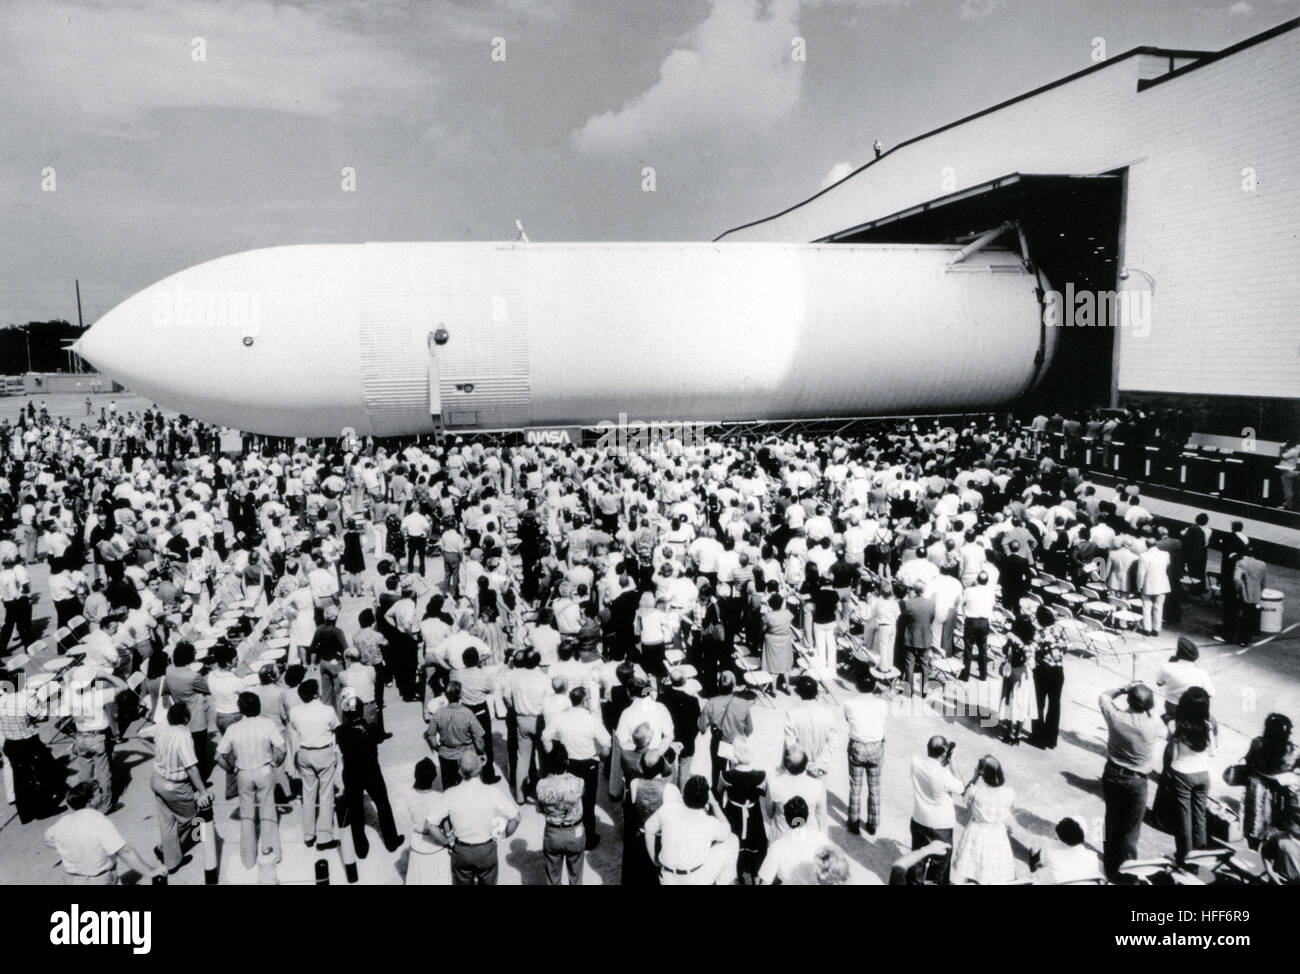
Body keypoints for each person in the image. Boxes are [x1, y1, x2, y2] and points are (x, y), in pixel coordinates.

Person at [1099, 682, 1164, 881]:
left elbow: (1104, 695)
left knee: (1112, 821)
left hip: (1112, 774)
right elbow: (1157, 714)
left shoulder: (1116, 718)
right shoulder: (1154, 725)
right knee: (1130, 829)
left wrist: (1123, 688)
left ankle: (1110, 867)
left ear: (1129, 701)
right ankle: (1127, 873)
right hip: (1136, 780)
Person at [216, 691, 286, 869]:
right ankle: (272, 853)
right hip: (264, 770)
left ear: (240, 709)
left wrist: (231, 769)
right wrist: (276, 762)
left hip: (243, 774)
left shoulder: (233, 729)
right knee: (268, 812)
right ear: (258, 707)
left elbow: (218, 756)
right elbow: (282, 749)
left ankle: (248, 858)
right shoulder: (267, 724)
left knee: (247, 816)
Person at [43, 781, 162, 885]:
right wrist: (151, 871)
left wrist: (72, 848)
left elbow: (48, 839)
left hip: (72, 880)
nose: (102, 793)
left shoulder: (62, 822)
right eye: (99, 792)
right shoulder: (98, 820)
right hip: (99, 879)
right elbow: (124, 851)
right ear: (90, 801)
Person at [540, 686, 610, 849]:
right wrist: (600, 757)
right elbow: (606, 746)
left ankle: (570, 833)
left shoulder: (561, 718)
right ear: (585, 701)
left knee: (569, 799)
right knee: (588, 802)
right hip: (589, 764)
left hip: (568, 764)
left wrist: (554, 756)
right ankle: (589, 838)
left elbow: (545, 737)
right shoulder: (593, 720)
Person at [1155, 686, 1216, 869]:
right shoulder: (1208, 726)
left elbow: (1170, 747)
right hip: (1203, 775)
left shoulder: (1176, 725)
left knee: (1184, 821)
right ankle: (1199, 856)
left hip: (1182, 774)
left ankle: (1184, 860)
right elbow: (1212, 752)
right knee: (1199, 817)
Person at [335, 699, 404, 858]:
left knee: (356, 808)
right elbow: (379, 737)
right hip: (371, 772)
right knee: (383, 804)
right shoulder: (370, 728)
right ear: (361, 711)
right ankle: (391, 840)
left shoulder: (341, 731)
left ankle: (361, 848)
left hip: (352, 773)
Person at [439, 752, 520, 885]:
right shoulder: (492, 791)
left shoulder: (450, 794)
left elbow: (430, 824)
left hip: (462, 851)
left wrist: (446, 841)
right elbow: (516, 818)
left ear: (459, 771)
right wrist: (501, 835)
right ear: (479, 769)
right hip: (487, 849)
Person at [151, 701, 212, 874]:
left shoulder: (162, 726)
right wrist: (202, 791)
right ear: (186, 718)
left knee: (167, 821)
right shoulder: (183, 735)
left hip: (156, 778)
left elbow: (141, 734)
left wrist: (158, 751)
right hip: (175, 785)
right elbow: (191, 767)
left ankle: (171, 859)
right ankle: (166, 848)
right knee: (191, 817)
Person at [644, 774, 738, 885]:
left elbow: (648, 828)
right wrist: (714, 803)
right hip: (695, 879)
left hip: (667, 878)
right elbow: (727, 830)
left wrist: (655, 859)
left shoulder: (669, 808)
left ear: (683, 794)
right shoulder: (709, 822)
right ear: (706, 800)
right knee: (732, 840)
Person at [0, 678, 66, 822]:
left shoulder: (1, 701)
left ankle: (26, 814)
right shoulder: (25, 700)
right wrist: (41, 703)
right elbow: (42, 717)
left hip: (11, 743)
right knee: (43, 774)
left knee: (21, 779)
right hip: (28, 742)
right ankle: (45, 808)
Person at [288, 679, 339, 850]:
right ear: (316, 693)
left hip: (304, 753)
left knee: (308, 793)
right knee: (326, 794)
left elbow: (294, 728)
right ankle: (324, 837)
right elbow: (335, 728)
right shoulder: (328, 710)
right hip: (323, 752)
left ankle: (308, 835)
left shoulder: (295, 711)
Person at [951, 755, 1017, 884]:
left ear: (983, 773)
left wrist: (975, 776)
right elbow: (1010, 807)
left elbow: (964, 793)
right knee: (993, 870)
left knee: (972, 869)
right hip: (998, 833)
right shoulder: (1009, 792)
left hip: (977, 832)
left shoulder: (975, 791)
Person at [908, 735, 963, 885]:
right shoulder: (944, 774)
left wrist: (943, 758)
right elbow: (961, 786)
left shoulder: (915, 763)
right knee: (940, 865)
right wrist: (952, 762)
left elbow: (929, 763)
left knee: (917, 858)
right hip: (941, 825)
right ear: (944, 754)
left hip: (919, 818)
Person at [1240, 713, 1299, 850]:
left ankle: (1254, 849)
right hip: (1281, 791)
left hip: (1258, 787)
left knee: (1255, 822)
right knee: (1278, 823)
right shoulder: (1293, 750)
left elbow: (1249, 763)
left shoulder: (1258, 743)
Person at [534, 743, 586, 885]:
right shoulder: (579, 782)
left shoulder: (541, 785)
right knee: (576, 874)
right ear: (566, 762)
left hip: (553, 833)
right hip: (575, 832)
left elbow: (539, 809)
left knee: (553, 877)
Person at [843, 670, 887, 835]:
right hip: (876, 746)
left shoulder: (849, 703)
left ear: (857, 685)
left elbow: (848, 719)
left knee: (855, 786)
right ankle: (872, 823)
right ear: (874, 685)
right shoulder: (882, 704)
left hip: (857, 746)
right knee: (874, 787)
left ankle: (853, 822)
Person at [756, 796, 831, 885]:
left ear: (787, 820)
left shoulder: (777, 847)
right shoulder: (822, 839)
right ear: (807, 816)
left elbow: (765, 881)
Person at [699, 670, 753, 788]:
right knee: (738, 777)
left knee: (718, 774)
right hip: (737, 744)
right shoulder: (744, 703)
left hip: (719, 742)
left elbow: (702, 728)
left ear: (719, 684)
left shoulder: (711, 703)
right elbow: (749, 730)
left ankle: (717, 799)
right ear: (734, 685)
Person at [425, 682, 486, 788]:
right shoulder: (467, 713)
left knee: (449, 788)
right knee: (467, 788)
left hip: (445, 755)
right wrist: (481, 752)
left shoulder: (438, 713)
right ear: (460, 695)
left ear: (446, 696)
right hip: (464, 756)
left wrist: (437, 747)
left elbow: (430, 735)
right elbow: (478, 738)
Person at [404, 758, 452, 885]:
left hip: (418, 842)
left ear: (415, 776)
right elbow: (446, 826)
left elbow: (414, 790)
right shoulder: (440, 798)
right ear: (434, 777)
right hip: (436, 844)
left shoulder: (408, 795)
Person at [1031, 816, 1103, 885]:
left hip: (1057, 880)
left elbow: (1043, 862)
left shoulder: (1050, 848)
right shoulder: (1092, 856)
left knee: (1039, 873)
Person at [1156, 636, 1214, 718]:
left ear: (1178, 652)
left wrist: (1171, 663)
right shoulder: (1202, 674)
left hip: (1171, 706)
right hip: (1190, 709)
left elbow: (1159, 683)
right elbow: (1210, 693)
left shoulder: (1166, 667)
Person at [900, 581, 934, 697]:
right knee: (925, 664)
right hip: (925, 637)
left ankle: (909, 691)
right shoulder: (931, 603)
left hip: (911, 636)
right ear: (924, 590)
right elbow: (931, 618)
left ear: (914, 590)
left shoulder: (908, 603)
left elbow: (904, 620)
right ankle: (924, 692)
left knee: (909, 664)